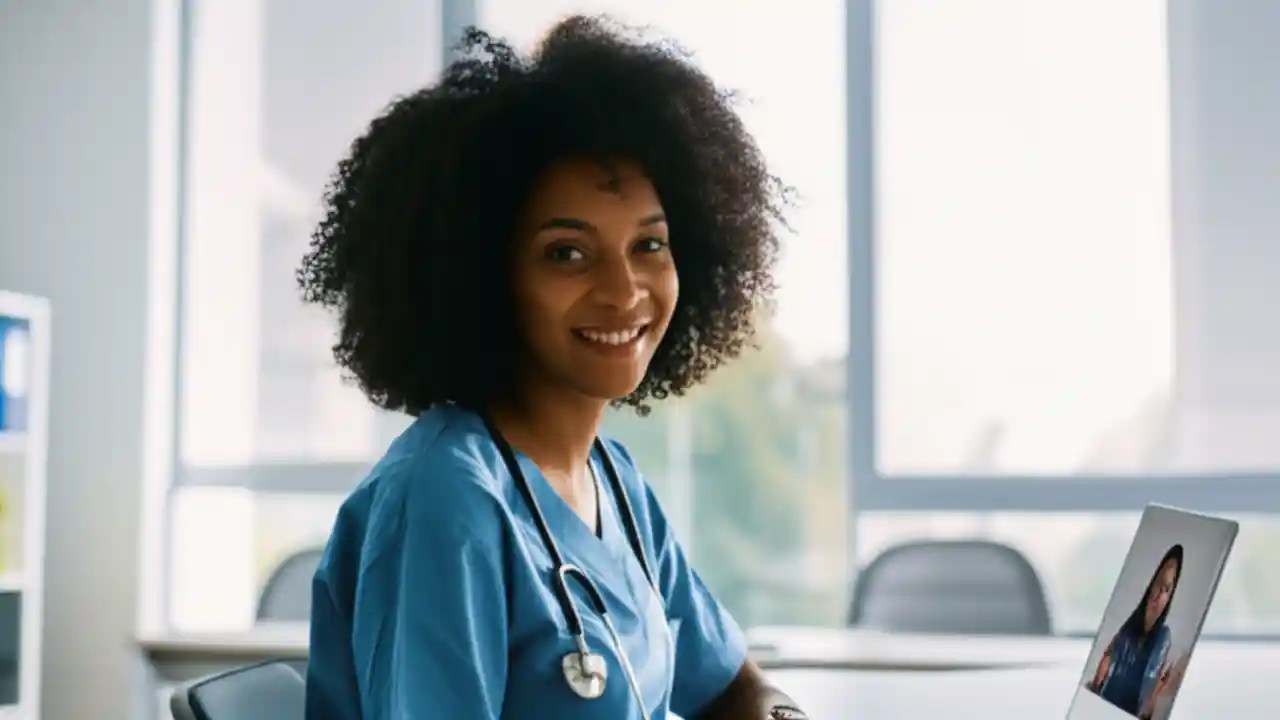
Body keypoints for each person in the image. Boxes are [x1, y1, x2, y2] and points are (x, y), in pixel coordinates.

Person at [297, 15, 807, 720]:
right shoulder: (445, 499)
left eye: (649, 246)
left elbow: (731, 687)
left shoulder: (613, 480)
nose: (625, 290)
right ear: (479, 274)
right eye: (567, 253)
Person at [1088, 545, 1186, 719]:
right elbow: (1108, 655)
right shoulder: (1130, 625)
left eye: (1167, 589)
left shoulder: (1163, 637)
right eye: (1158, 584)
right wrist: (1095, 690)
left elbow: (1155, 687)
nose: (1158, 594)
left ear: (1170, 596)